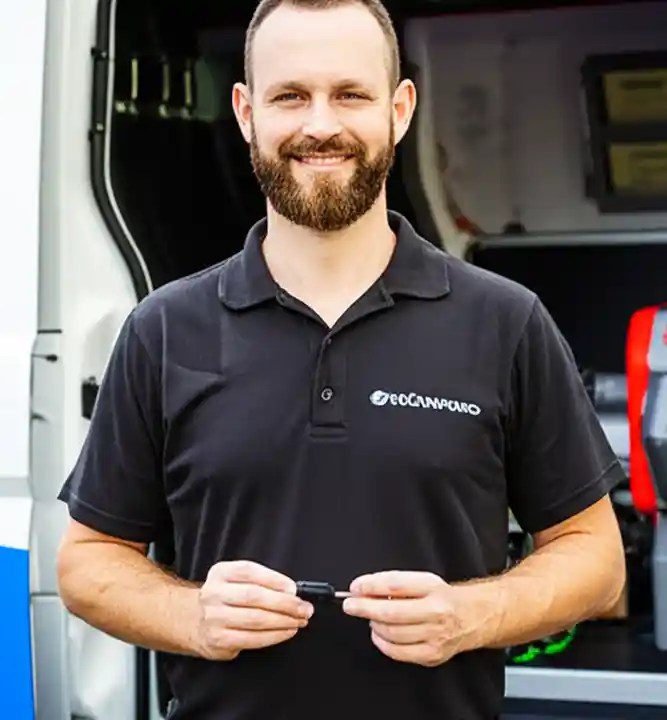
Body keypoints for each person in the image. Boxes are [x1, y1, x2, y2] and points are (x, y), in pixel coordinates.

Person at [54, 0, 626, 717]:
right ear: (245, 112)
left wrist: (470, 614)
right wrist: (191, 615)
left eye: (349, 94)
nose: (320, 124)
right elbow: (87, 562)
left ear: (400, 109)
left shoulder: (505, 322)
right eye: (290, 95)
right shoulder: (164, 329)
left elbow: (596, 560)